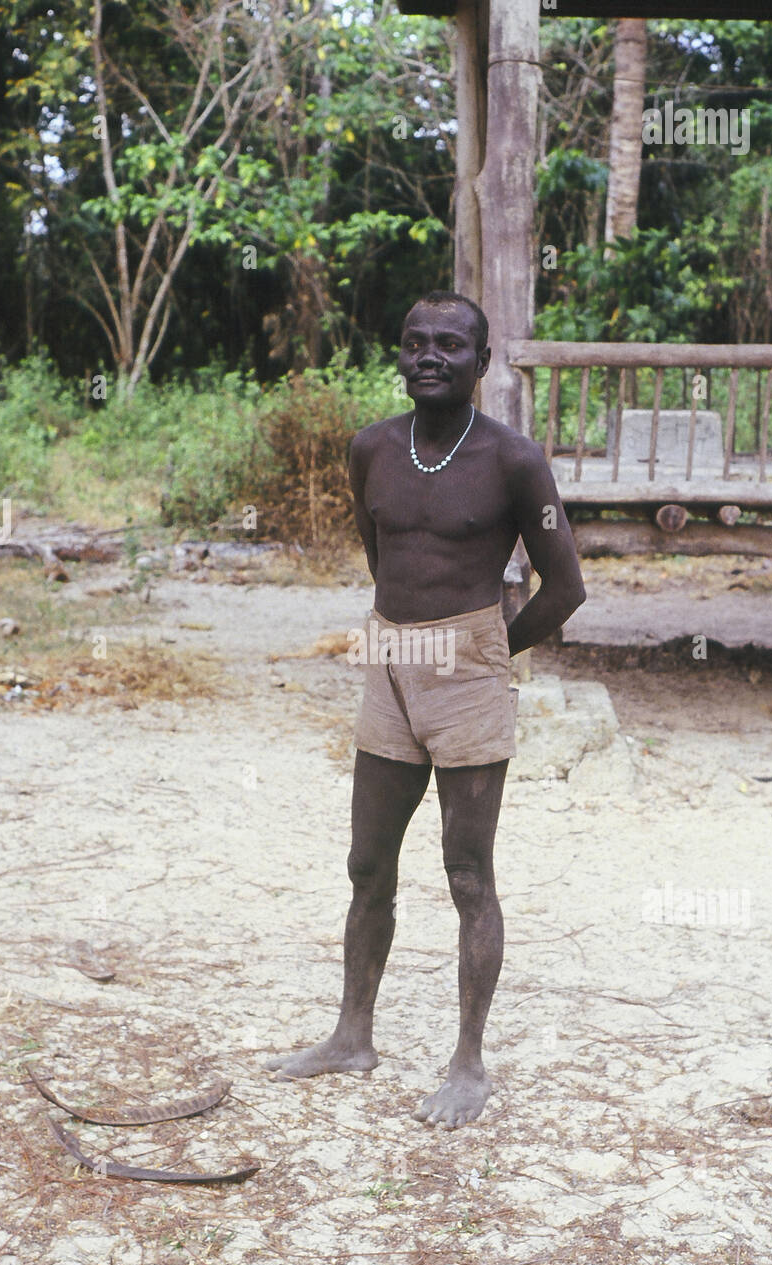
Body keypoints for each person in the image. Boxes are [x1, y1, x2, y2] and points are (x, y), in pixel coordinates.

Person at [267, 291, 586, 1128]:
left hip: (472, 668)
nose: (430, 357)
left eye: (451, 345)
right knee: (366, 865)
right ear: (399, 355)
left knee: (467, 874)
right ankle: (350, 1036)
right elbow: (385, 560)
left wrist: (488, 654)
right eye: (415, 343)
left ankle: (469, 1064)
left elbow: (568, 587)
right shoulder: (369, 447)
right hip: (391, 662)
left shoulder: (515, 460)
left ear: (483, 364)